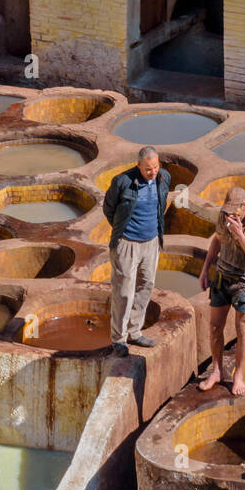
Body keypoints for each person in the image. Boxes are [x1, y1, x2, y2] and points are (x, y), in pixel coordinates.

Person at [102, 145, 170, 357]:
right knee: (123, 292)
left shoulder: (163, 177)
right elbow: (108, 208)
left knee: (145, 287)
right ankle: (119, 339)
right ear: (138, 165)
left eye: (156, 167)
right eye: (148, 168)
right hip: (127, 243)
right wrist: (123, 230)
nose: (153, 172)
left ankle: (134, 332)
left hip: (151, 243)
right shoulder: (122, 182)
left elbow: (162, 205)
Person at [198, 185, 245, 396]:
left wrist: (240, 235)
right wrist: (205, 268)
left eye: (233, 212)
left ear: (244, 207)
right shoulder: (223, 216)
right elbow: (217, 240)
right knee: (215, 326)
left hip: (244, 279)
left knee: (242, 327)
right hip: (222, 274)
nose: (229, 216)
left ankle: (238, 375)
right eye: (226, 211)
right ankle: (217, 371)